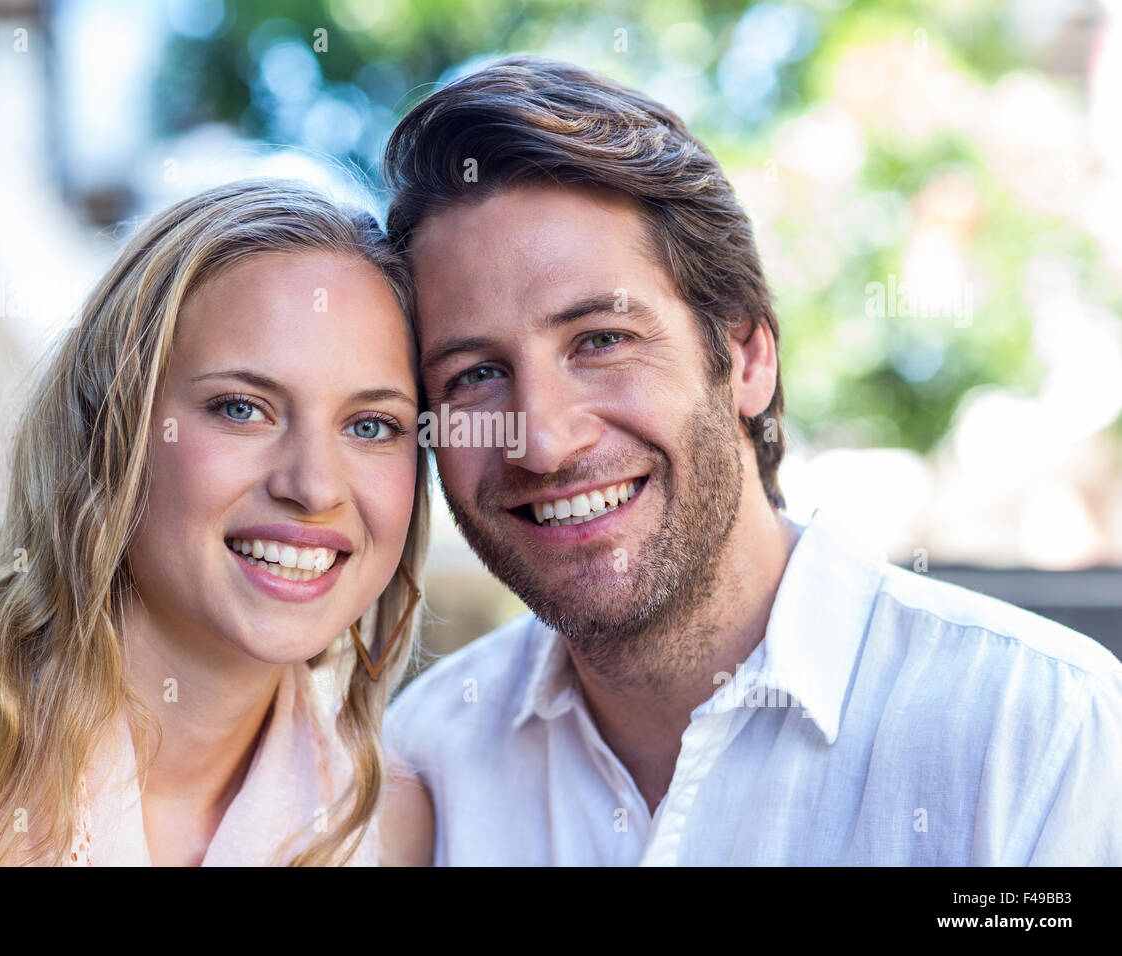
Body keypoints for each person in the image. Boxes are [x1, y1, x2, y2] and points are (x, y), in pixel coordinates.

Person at [379, 56, 1122, 865]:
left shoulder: (1043, 731)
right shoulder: (424, 761)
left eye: (602, 340)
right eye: (475, 375)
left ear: (746, 356)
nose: (545, 441)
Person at [0, 179, 430, 866]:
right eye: (241, 408)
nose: (314, 485)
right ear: (113, 429)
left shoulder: (392, 830)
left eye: (373, 425)